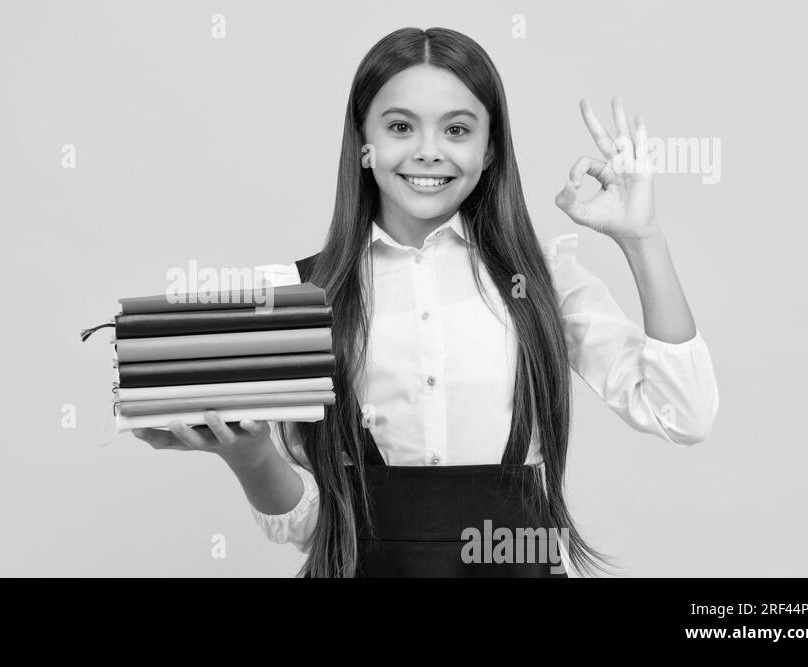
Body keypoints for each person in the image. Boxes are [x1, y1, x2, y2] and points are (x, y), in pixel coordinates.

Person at [131, 26, 719, 578]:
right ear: (364, 143)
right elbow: (313, 527)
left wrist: (643, 239)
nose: (429, 151)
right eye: (401, 127)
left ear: (490, 150)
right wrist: (251, 455)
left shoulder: (541, 280)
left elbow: (683, 412)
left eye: (457, 130)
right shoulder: (296, 298)